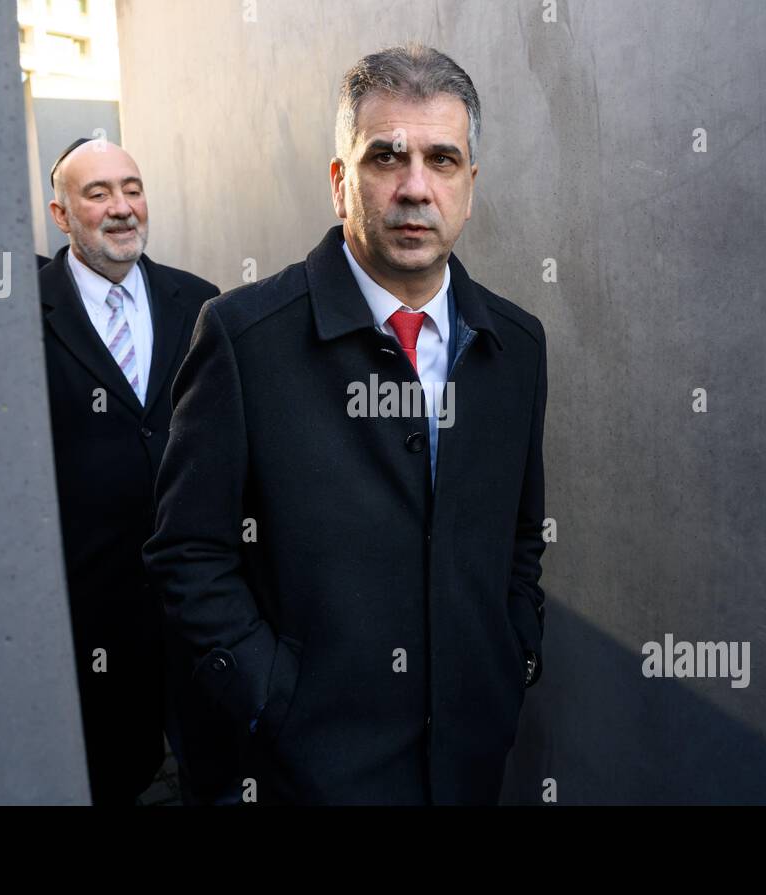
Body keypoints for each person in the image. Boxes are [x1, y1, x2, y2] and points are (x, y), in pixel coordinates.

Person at [145, 44, 547, 805]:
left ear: (471, 186)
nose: (415, 188)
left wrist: (514, 651)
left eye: (443, 159)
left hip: (467, 759)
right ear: (340, 182)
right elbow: (187, 551)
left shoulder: (517, 345)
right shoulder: (243, 337)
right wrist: (269, 694)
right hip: (307, 773)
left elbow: (521, 535)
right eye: (386, 157)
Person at [40, 137, 218, 804]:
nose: (122, 208)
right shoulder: (22, 317)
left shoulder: (202, 304)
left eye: (132, 188)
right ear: (61, 215)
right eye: (98, 193)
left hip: (198, 608)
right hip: (93, 618)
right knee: (111, 779)